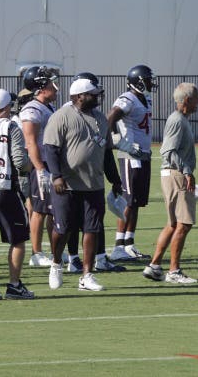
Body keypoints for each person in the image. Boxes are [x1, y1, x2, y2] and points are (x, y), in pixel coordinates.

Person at [43, 78, 124, 292]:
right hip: (67, 184)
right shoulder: (61, 116)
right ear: (79, 96)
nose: (97, 97)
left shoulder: (100, 119)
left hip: (94, 183)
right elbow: (50, 149)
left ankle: (87, 275)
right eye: (92, 94)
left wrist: (115, 179)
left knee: (92, 228)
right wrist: (57, 176)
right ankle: (57, 263)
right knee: (63, 229)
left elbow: (106, 153)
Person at [142, 83, 198, 284]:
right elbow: (167, 150)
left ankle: (155, 266)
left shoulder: (180, 119)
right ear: (186, 100)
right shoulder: (177, 120)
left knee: (173, 224)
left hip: (172, 174)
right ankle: (174, 270)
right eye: (196, 98)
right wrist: (186, 171)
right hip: (176, 175)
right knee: (184, 224)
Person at [0, 90, 35, 300]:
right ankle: (14, 285)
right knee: (19, 239)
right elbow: (20, 162)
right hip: (3, 186)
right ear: (6, 107)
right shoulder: (11, 126)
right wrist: (32, 167)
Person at [107, 65, 156, 261]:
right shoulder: (127, 98)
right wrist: (118, 139)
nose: (152, 83)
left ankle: (129, 244)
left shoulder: (146, 98)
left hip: (143, 154)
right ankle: (119, 246)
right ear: (139, 81)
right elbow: (110, 117)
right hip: (130, 156)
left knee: (136, 202)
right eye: (149, 79)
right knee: (128, 201)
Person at [19, 66, 58, 268]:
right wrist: (40, 169)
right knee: (40, 210)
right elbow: (31, 142)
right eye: (51, 83)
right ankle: (36, 253)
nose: (56, 87)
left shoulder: (48, 107)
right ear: (41, 87)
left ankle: (53, 251)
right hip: (41, 166)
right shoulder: (32, 109)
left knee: (52, 211)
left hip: (52, 165)